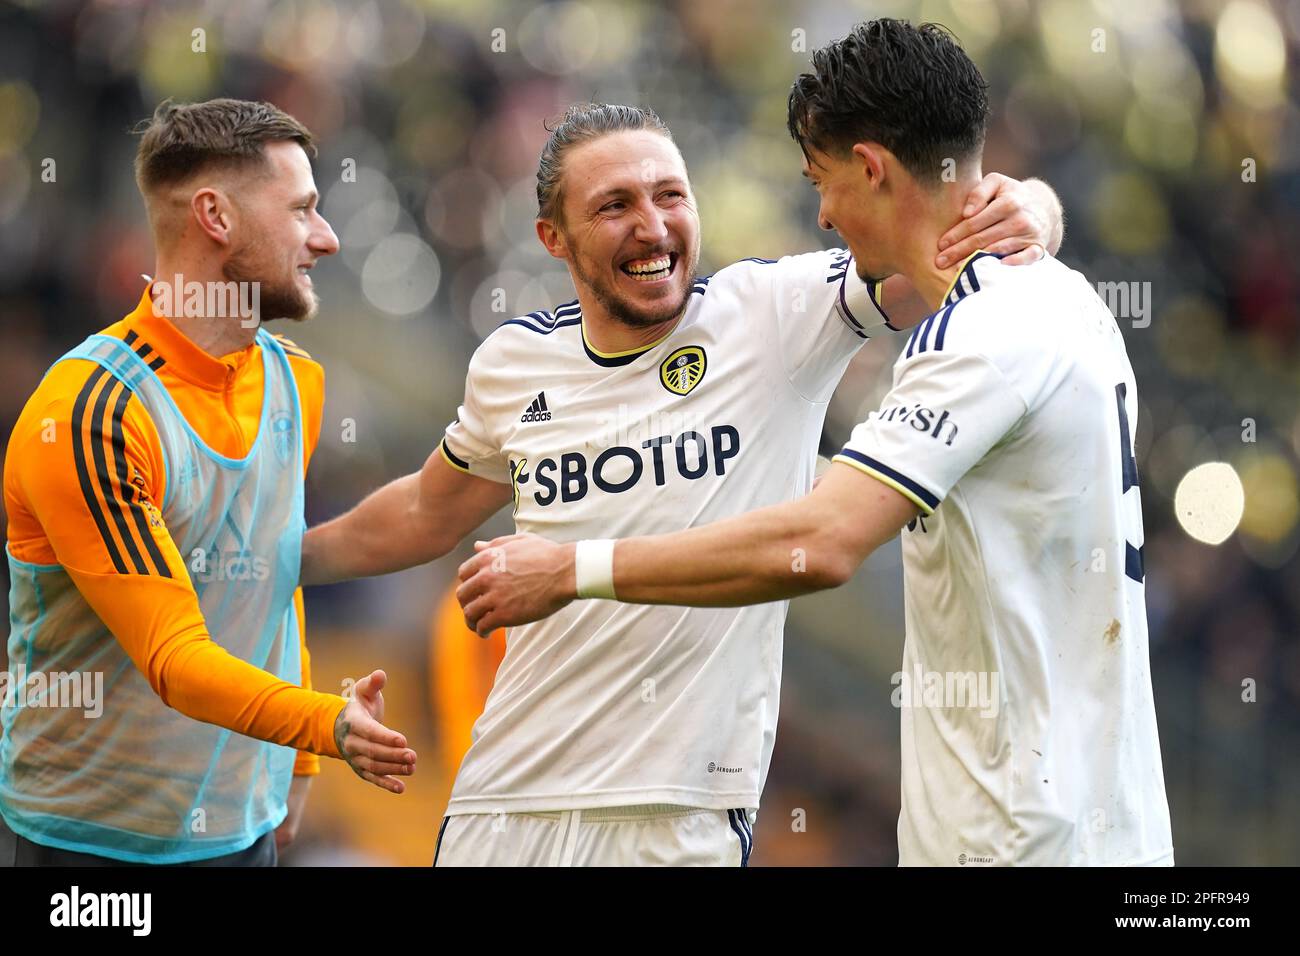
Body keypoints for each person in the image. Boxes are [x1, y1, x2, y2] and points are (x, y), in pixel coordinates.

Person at [458, 21, 1174, 867]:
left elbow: (822, 542)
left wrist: (571, 569)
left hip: (1017, 838)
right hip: (1096, 824)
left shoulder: (983, 332)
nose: (825, 213)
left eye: (822, 182)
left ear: (871, 168)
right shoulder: (1066, 299)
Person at [302, 101, 1062, 867]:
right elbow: (423, 510)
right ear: (552, 239)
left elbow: (956, 255)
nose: (653, 226)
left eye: (670, 195)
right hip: (502, 804)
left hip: (678, 817)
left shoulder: (777, 316)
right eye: (615, 205)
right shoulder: (513, 364)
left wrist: (1034, 204)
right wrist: (281, 560)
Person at [1, 98, 415, 867]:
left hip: (243, 830)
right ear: (216, 217)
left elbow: (273, 573)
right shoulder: (91, 412)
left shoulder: (296, 383)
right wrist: (325, 726)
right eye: (301, 210)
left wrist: (295, 767)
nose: (325, 238)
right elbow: (174, 659)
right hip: (92, 847)